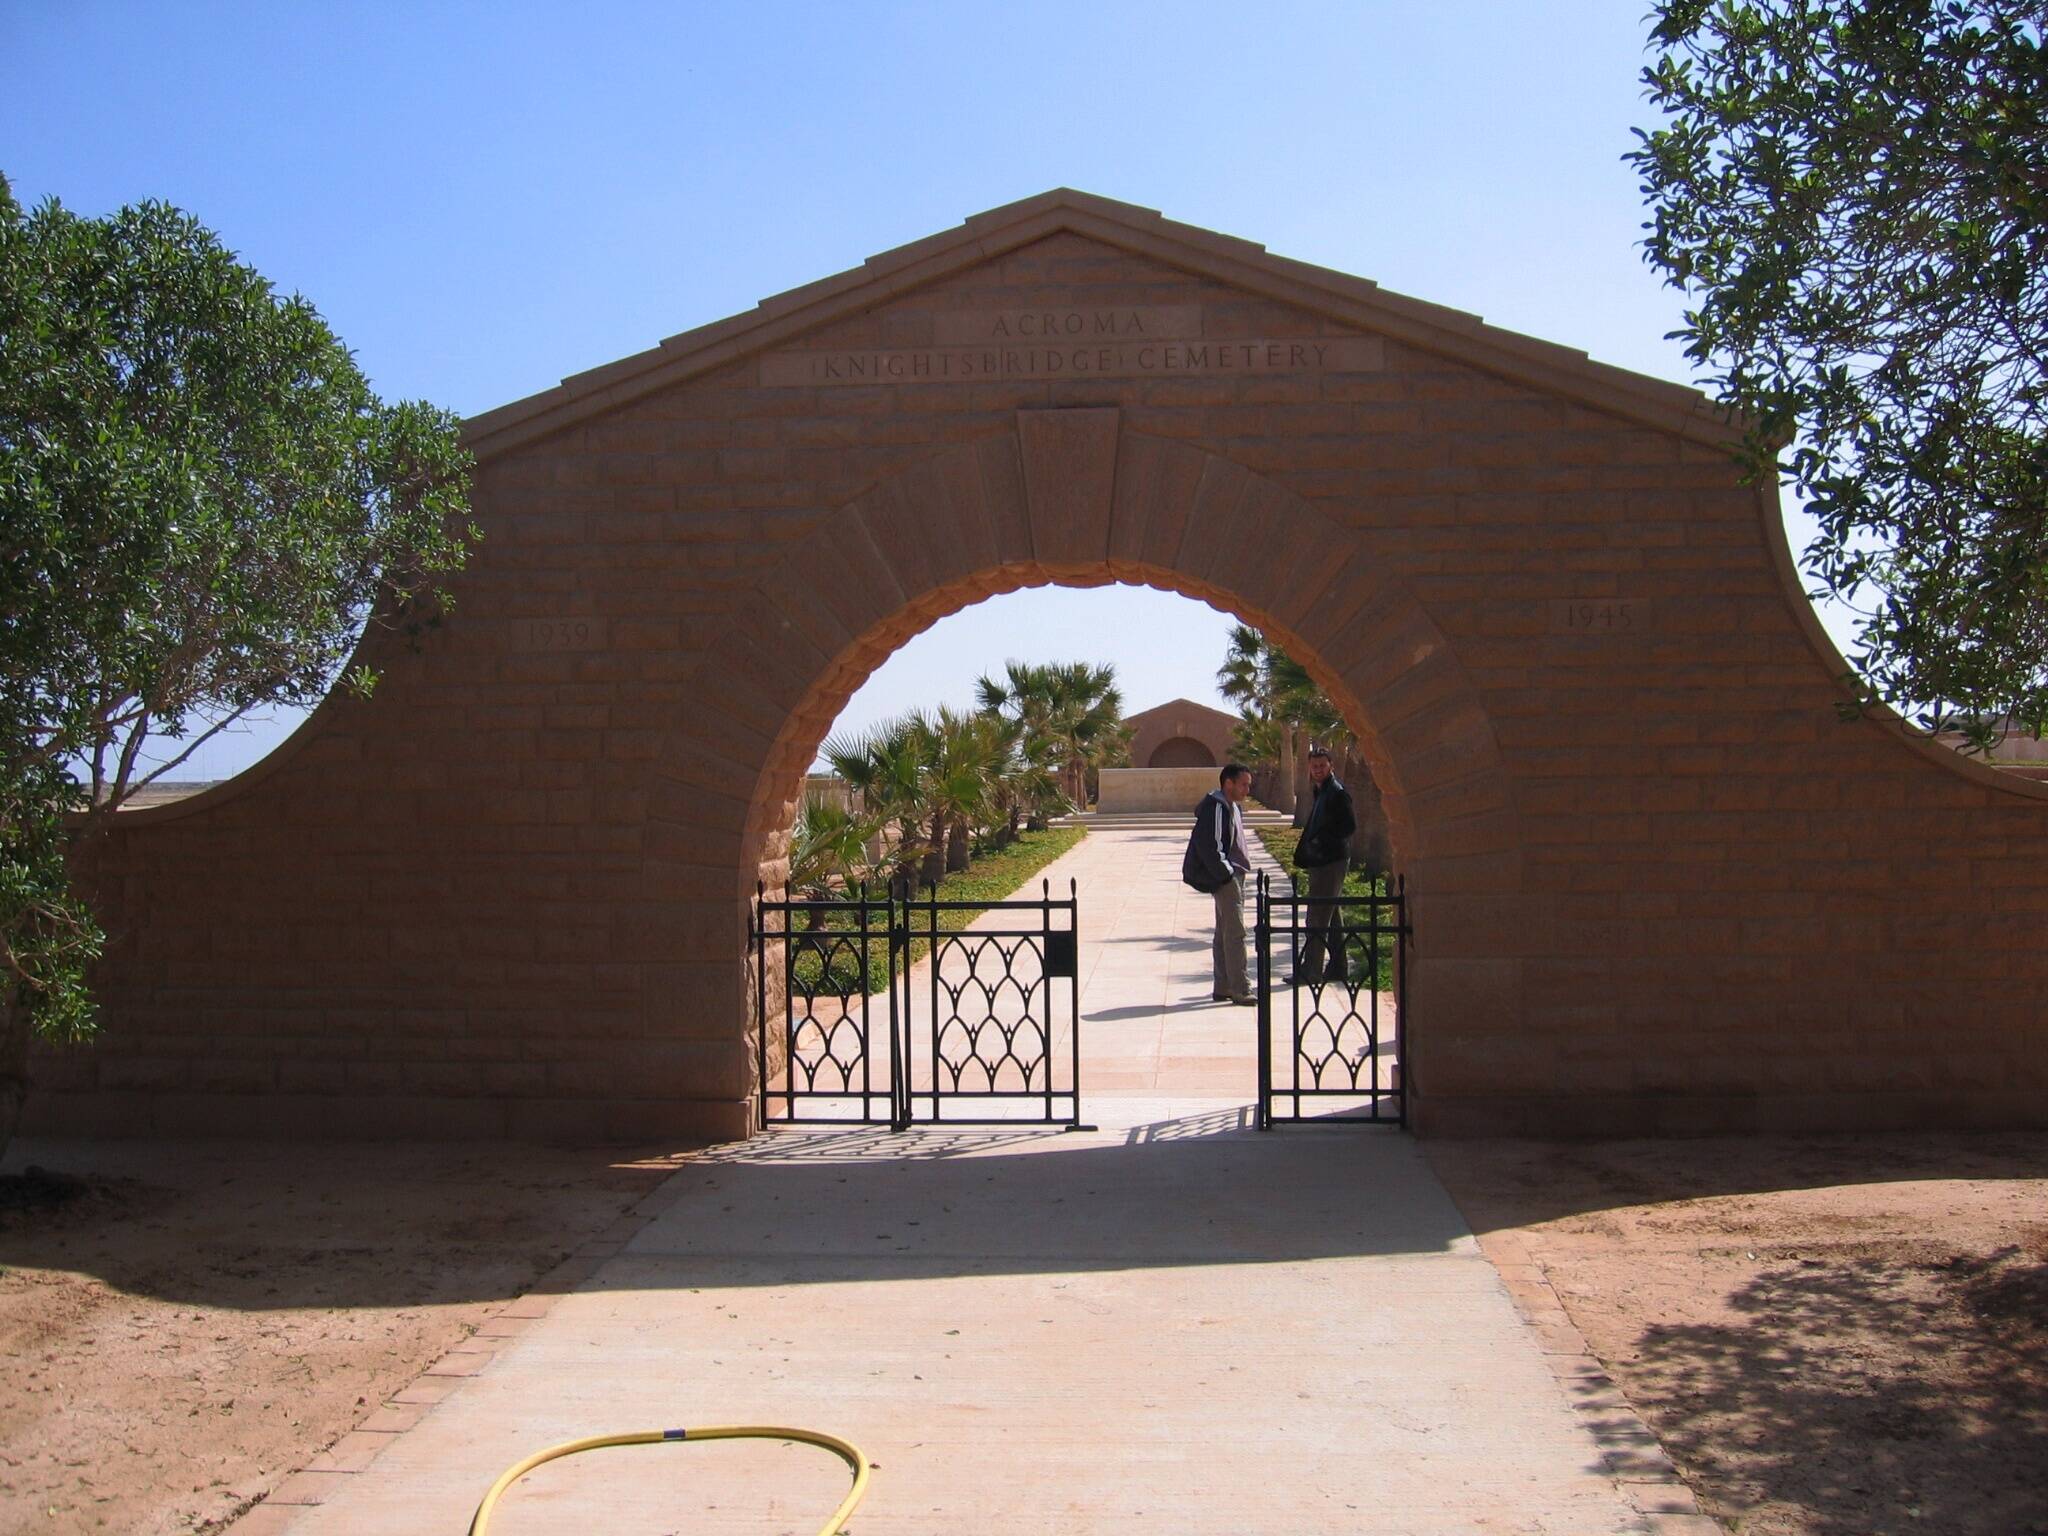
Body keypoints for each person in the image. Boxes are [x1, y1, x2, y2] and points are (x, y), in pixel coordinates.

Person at [1182, 763, 1256, 1004]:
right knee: (1235, 933)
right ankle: (1240, 988)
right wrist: (1226, 875)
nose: (1247, 789)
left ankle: (1223, 985)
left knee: (1224, 932)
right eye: (1243, 784)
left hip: (1233, 874)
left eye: (1248, 784)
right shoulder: (1216, 807)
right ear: (1229, 783)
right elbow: (1210, 845)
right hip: (1227, 877)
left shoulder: (1232, 807)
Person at [1289, 745, 1357, 985]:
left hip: (1330, 860)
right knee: (1332, 915)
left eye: (1322, 765)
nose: (1317, 770)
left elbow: (1348, 827)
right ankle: (1339, 967)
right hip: (1322, 859)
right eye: (1314, 766)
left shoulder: (1336, 792)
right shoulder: (1321, 791)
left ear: (1331, 766)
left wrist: (1321, 841)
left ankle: (1312, 971)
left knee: (1317, 916)